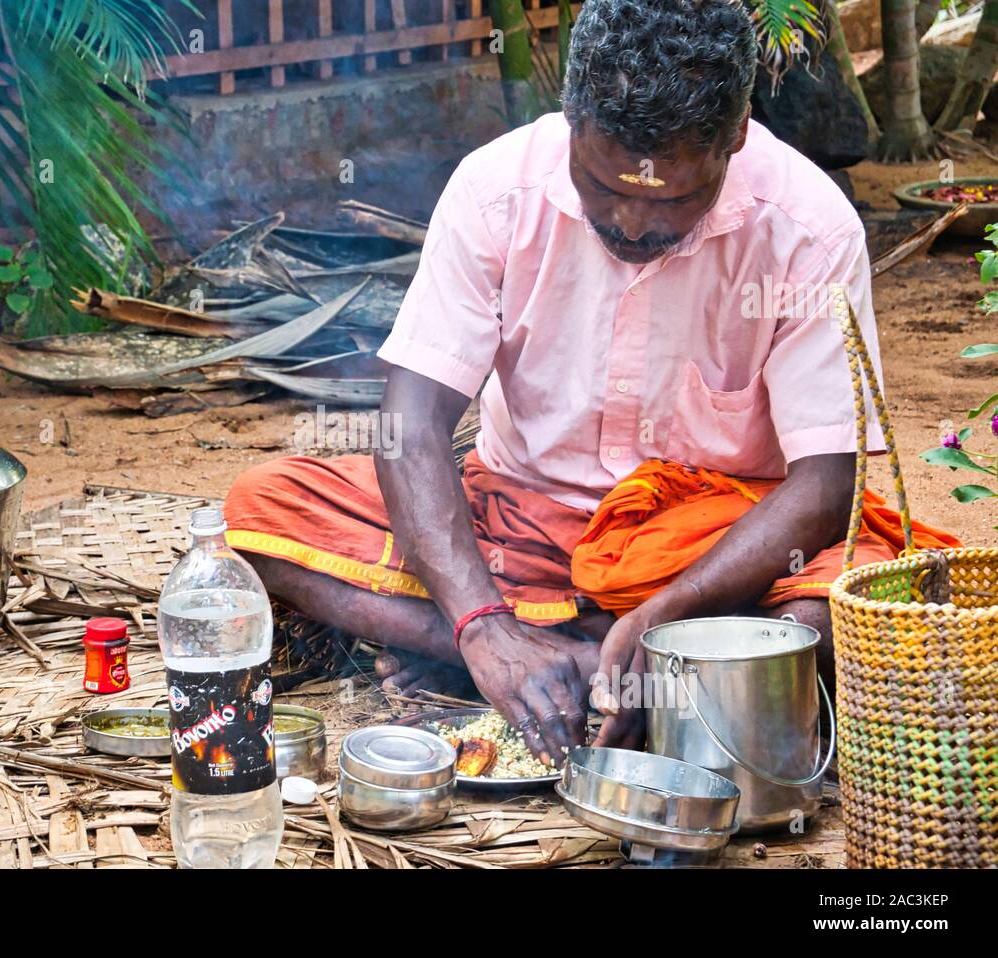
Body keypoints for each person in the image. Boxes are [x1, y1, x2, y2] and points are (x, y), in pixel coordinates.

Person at [222, 0, 959, 767]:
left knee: (842, 606)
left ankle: (573, 650)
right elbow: (411, 421)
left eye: (672, 198)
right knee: (264, 509)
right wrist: (481, 624)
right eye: (604, 186)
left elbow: (826, 485)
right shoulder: (496, 189)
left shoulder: (809, 228)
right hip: (519, 530)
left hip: (715, 551)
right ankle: (557, 657)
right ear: (570, 120)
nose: (633, 223)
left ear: (735, 136)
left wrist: (673, 606)